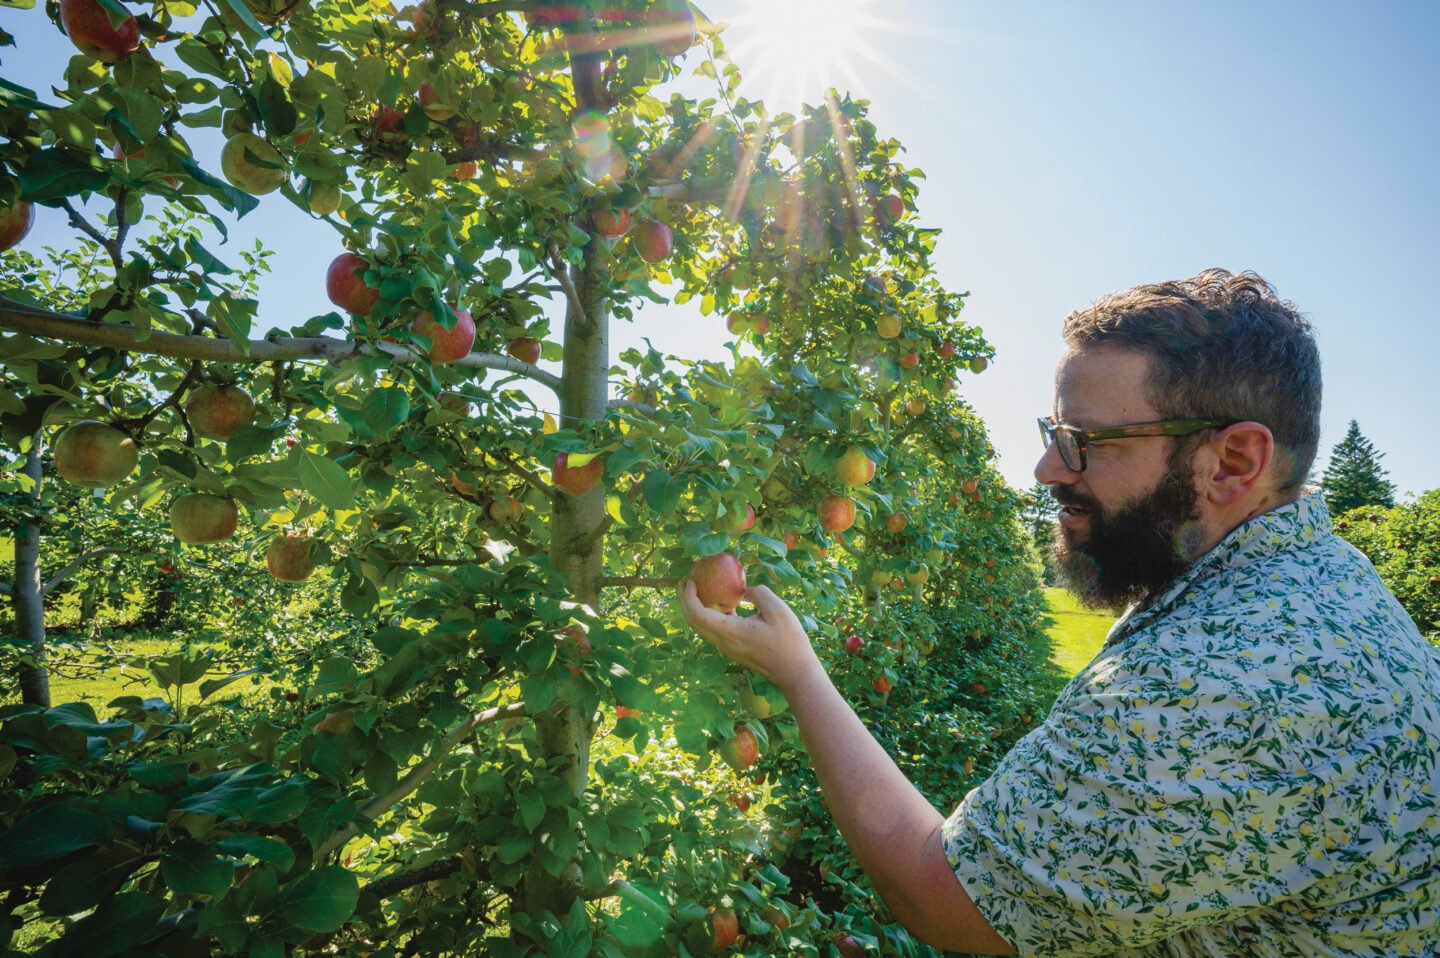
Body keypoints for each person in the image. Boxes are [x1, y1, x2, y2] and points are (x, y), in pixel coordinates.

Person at [679, 269, 1440, 956]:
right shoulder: (1326, 576)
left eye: (1085, 441)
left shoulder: (1202, 690)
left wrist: (798, 670)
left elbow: (944, 898)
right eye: (1054, 433)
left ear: (1233, 462)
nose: (1047, 469)